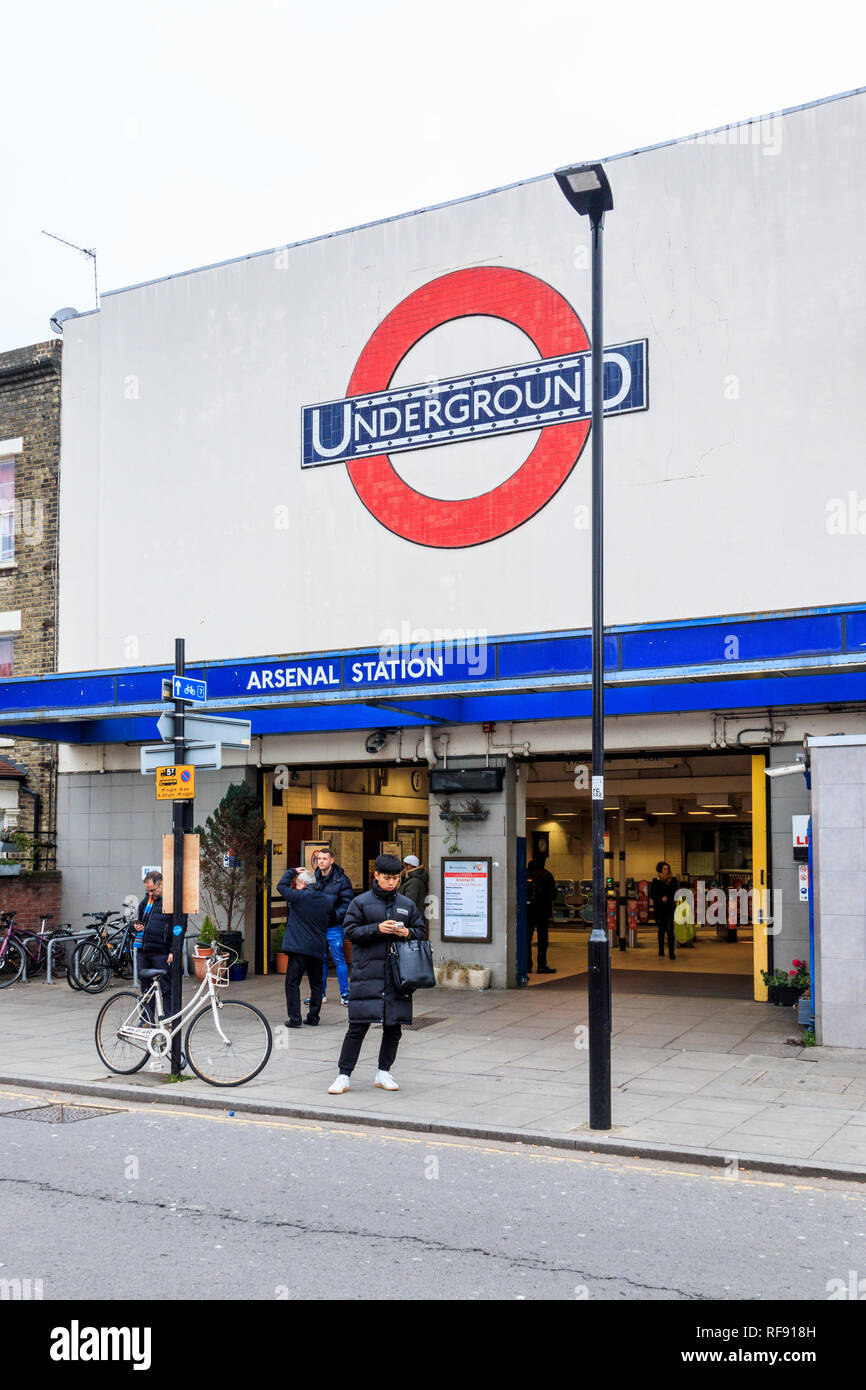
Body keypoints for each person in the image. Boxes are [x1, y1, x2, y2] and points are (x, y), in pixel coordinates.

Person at [327, 853, 425, 1095]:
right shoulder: (360, 903)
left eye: (395, 878)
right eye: (387, 878)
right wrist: (377, 929)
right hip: (366, 973)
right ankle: (343, 1075)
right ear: (377, 876)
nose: (391, 882)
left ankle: (383, 1071)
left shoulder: (406, 904)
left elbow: (420, 930)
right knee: (357, 1026)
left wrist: (407, 933)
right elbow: (350, 930)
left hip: (397, 976)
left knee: (394, 1027)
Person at [277, 867, 331, 1026]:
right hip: (317, 947)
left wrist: (291, 871)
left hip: (299, 948)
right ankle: (313, 1017)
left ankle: (295, 1018)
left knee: (292, 982)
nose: (295, 886)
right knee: (317, 984)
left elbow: (281, 887)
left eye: (297, 883)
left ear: (302, 883)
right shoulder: (325, 900)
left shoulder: (299, 897)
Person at [133, 871, 176, 1070]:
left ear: (161, 884)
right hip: (144, 949)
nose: (150, 893)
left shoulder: (169, 902)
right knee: (146, 988)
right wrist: (136, 926)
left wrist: (173, 950)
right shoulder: (147, 901)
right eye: (148, 890)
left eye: (152, 889)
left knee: (165, 987)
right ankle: (147, 1019)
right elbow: (139, 920)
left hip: (161, 951)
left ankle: (166, 1020)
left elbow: (176, 927)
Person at [312, 847, 354, 1006]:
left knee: (339, 959)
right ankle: (320, 994)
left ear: (331, 860)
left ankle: (345, 994)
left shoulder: (341, 880)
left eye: (324, 859)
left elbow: (347, 903)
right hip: (318, 926)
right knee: (320, 960)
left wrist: (334, 916)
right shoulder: (315, 876)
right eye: (318, 859)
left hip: (334, 926)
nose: (320, 861)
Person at [526, 856, 557, 973]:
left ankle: (527, 965)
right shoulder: (547, 875)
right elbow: (553, 895)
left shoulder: (524, 874)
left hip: (527, 912)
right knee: (542, 940)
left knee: (527, 939)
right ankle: (542, 965)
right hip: (542, 912)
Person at [650, 861, 679, 960]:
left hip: (670, 908)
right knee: (661, 930)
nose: (667, 871)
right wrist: (660, 898)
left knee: (670, 930)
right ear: (660, 870)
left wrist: (668, 898)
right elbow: (652, 894)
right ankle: (661, 950)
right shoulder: (655, 881)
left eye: (668, 869)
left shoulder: (673, 880)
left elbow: (675, 892)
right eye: (664, 869)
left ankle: (672, 952)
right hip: (660, 909)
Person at [400, 854, 428, 922]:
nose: (402, 870)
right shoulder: (413, 879)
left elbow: (408, 903)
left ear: (409, 866)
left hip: (412, 920)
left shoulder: (414, 882)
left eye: (403, 867)